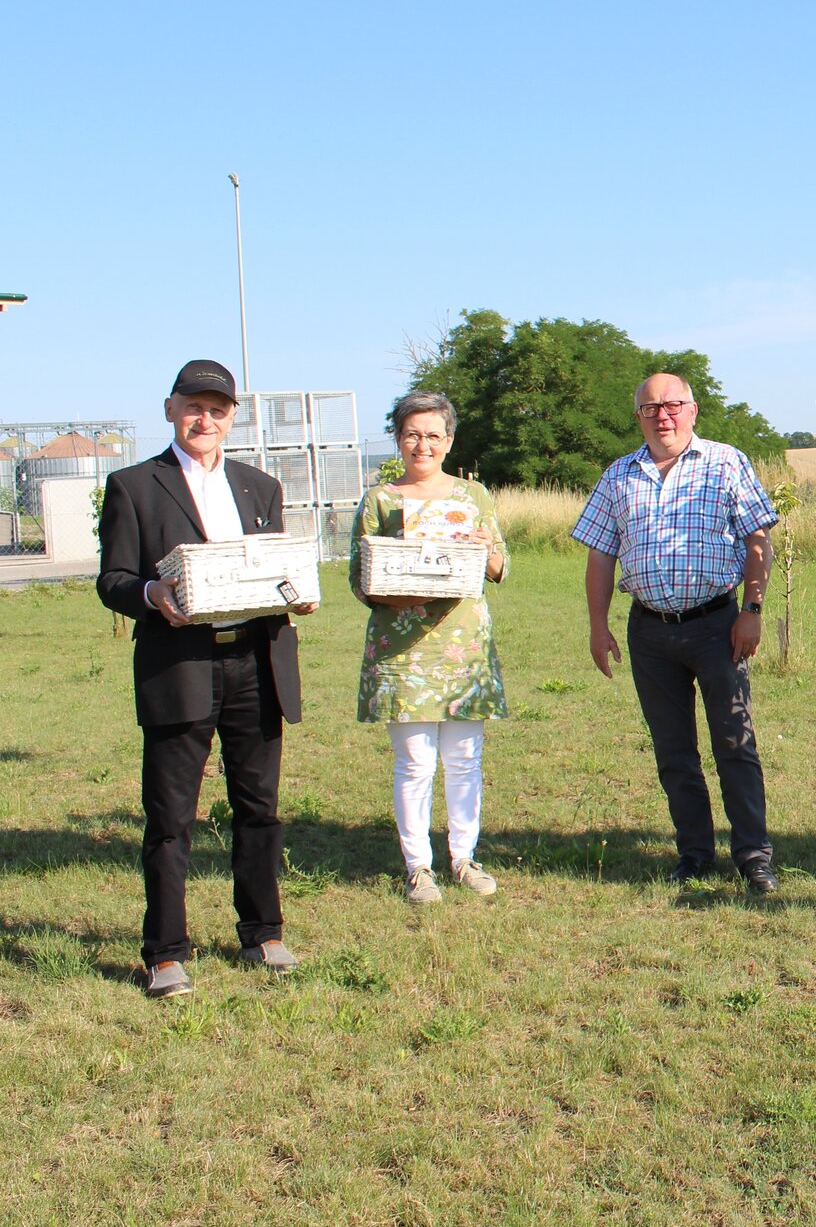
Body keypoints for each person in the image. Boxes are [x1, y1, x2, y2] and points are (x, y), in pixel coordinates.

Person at [96, 359, 318, 999]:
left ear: (232, 417)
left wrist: (295, 596)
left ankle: (264, 932)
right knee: (170, 818)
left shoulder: (260, 486)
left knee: (260, 809)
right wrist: (148, 592)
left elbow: (277, 570)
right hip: (180, 666)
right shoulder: (134, 486)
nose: (204, 419)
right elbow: (112, 580)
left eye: (217, 410)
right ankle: (166, 951)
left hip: (256, 663)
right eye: (193, 407)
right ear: (170, 409)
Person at [572, 373, 781, 893]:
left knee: (735, 742)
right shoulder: (618, 476)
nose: (662, 415)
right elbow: (601, 554)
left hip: (718, 626)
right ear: (638, 416)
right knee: (674, 751)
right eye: (650, 408)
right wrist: (598, 628)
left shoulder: (726, 461)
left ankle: (754, 857)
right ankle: (694, 853)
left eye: (672, 405)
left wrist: (752, 608)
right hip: (649, 632)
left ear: (692, 410)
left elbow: (758, 537)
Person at [349, 391, 509, 905]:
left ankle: (464, 858)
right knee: (415, 761)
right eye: (412, 434)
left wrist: (486, 554)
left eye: (433, 435)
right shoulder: (379, 499)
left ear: (449, 441)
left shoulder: (473, 496)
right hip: (404, 651)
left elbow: (502, 565)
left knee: (465, 758)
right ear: (398, 439)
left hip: (463, 649)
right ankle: (419, 867)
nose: (423, 444)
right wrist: (396, 583)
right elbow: (360, 579)